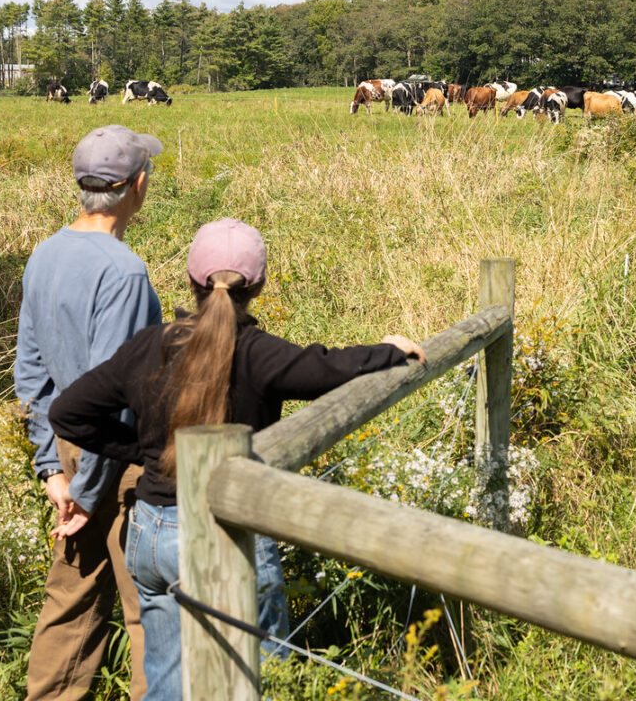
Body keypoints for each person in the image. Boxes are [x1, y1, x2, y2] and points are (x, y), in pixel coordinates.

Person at [48, 218, 425, 700]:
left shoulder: (151, 345)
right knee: (261, 678)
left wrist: (147, 451)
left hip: (150, 533)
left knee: (166, 681)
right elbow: (327, 366)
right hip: (226, 526)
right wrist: (386, 351)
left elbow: (67, 412)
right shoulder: (257, 353)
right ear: (259, 286)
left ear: (190, 279)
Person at [14, 125, 164, 701]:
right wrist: (89, 490)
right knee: (148, 604)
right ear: (137, 186)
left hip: (70, 450)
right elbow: (112, 394)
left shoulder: (46, 251)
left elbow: (31, 370)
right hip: (119, 459)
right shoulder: (123, 271)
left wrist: (53, 468)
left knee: (69, 596)